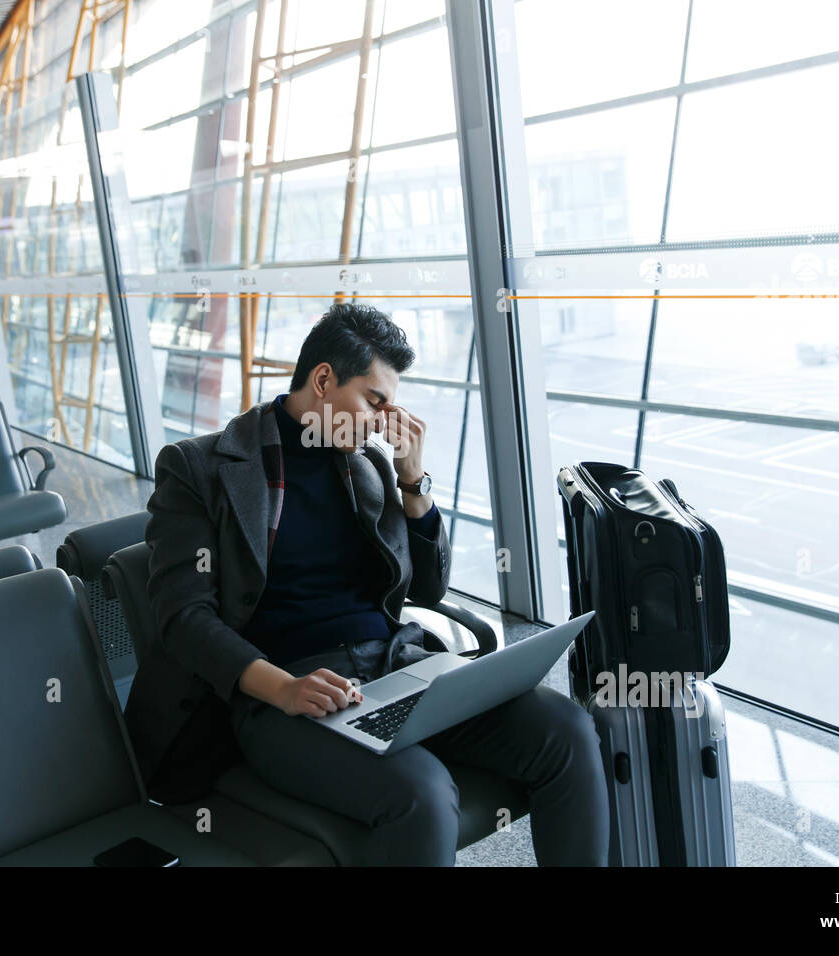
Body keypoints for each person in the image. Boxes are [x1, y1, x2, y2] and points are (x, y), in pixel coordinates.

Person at [124, 302, 609, 865]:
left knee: (567, 730)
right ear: (325, 380)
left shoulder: (368, 467)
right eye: (374, 400)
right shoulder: (199, 468)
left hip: (397, 668)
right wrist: (283, 687)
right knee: (423, 794)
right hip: (287, 697)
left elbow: (427, 590)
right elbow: (183, 619)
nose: (383, 420)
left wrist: (413, 480)